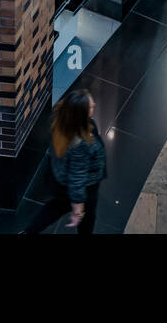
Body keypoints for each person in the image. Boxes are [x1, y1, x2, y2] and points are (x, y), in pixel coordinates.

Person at [24, 89, 106, 234]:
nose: (94, 104)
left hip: (60, 180)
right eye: (90, 106)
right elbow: (77, 178)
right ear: (80, 114)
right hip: (84, 187)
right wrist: (78, 211)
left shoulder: (61, 120)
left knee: (54, 208)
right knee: (87, 218)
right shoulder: (81, 143)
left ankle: (29, 231)